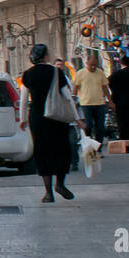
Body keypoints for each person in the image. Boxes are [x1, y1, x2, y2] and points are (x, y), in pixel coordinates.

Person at [20, 44, 85, 202]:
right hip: (57, 117)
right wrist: (77, 118)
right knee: (61, 150)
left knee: (42, 152)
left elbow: (23, 99)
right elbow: (68, 97)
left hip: (37, 118)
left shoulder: (28, 75)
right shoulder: (56, 73)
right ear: (46, 56)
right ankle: (60, 184)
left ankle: (48, 192)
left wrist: (23, 119)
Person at [75, 55, 111, 149]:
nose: (93, 67)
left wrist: (110, 101)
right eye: (91, 65)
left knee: (100, 128)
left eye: (95, 65)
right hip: (86, 104)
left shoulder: (100, 73)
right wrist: (74, 103)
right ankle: (88, 146)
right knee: (88, 126)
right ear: (86, 63)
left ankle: (98, 148)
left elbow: (105, 88)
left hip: (99, 104)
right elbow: (75, 89)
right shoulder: (80, 73)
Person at [108, 56, 129, 142]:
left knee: (122, 120)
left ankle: (123, 139)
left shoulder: (116, 74)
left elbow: (108, 82)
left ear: (121, 63)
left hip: (119, 100)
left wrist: (114, 90)